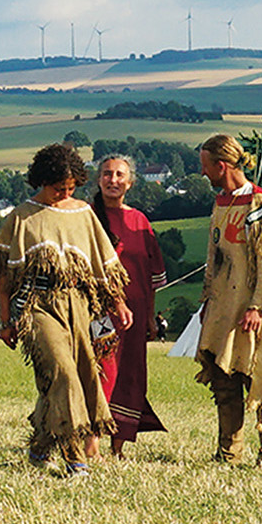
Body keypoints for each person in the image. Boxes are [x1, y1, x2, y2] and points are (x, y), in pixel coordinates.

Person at [0, 144, 130, 479]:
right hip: (37, 305)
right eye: (59, 188)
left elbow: (105, 266)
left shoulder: (83, 213)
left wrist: (118, 303)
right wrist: (5, 320)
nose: (65, 193)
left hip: (79, 305)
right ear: (43, 180)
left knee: (71, 377)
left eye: (71, 187)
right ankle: (74, 457)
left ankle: (41, 447)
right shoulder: (22, 216)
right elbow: (4, 275)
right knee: (63, 374)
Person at [195, 133, 262, 466]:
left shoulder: (260, 205)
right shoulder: (221, 202)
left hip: (254, 307)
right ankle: (229, 451)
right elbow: (214, 255)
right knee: (225, 379)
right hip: (224, 303)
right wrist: (207, 298)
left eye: (206, 166)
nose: (203, 173)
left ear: (221, 166)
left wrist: (257, 306)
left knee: (261, 376)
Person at [93, 153, 168, 458]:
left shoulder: (139, 221)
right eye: (107, 174)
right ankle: (92, 441)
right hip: (98, 311)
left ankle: (118, 446)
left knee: (130, 373)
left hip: (134, 314)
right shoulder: (88, 217)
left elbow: (151, 275)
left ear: (130, 182)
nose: (113, 180)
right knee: (101, 371)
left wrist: (150, 317)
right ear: (98, 179)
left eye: (119, 175)